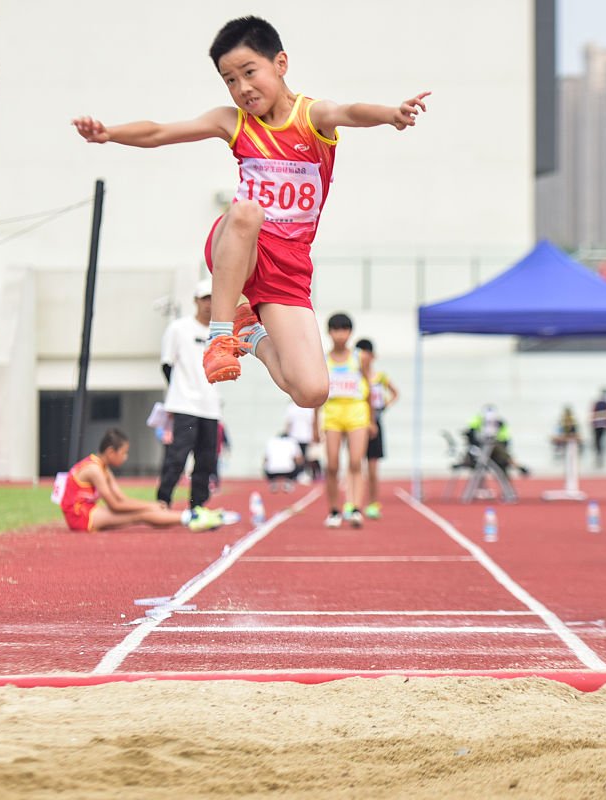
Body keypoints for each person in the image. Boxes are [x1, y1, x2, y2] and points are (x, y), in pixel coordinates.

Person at [72, 16, 429, 410]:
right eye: (229, 79)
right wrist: (109, 133)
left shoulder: (311, 117)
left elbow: (350, 111)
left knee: (311, 391)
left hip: (288, 267)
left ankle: (251, 335)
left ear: (280, 63)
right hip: (239, 247)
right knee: (246, 211)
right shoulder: (233, 122)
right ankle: (221, 336)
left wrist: (390, 113)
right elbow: (160, 132)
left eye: (248, 72)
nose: (241, 88)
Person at [60, 428, 229, 533]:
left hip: (88, 510)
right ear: (111, 452)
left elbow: (122, 499)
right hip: (79, 516)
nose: (125, 458)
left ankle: (191, 516)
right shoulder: (94, 470)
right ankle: (192, 518)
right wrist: (150, 506)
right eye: (124, 453)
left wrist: (151, 506)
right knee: (140, 515)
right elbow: (115, 505)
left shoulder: (102, 467)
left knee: (141, 513)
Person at [157, 277, 223, 513]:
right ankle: (163, 500)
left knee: (206, 460)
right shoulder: (178, 328)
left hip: (210, 406)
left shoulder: (220, 332)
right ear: (196, 300)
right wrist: (181, 392)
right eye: (205, 298)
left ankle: (198, 506)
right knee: (177, 456)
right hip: (185, 405)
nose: (209, 303)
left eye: (214, 298)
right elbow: (167, 365)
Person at [316, 313, 371, 528]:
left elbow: (368, 390)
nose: (340, 335)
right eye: (336, 330)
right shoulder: (324, 358)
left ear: (350, 333)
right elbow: (317, 390)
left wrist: (372, 420)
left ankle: (356, 508)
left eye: (344, 330)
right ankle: (333, 510)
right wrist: (314, 423)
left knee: (356, 462)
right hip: (332, 412)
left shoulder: (360, 357)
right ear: (329, 332)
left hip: (357, 411)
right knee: (332, 465)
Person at [355, 338, 398, 519]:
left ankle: (372, 503)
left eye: (366, 354)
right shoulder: (354, 376)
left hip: (375, 423)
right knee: (356, 466)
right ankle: (355, 503)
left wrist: (384, 406)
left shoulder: (380, 377)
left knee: (372, 468)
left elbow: (395, 393)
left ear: (373, 356)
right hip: (356, 422)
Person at [284, 400, 319, 482]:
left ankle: (304, 473)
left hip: (305, 436)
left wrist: (314, 434)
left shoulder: (308, 407)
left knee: (306, 457)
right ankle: (298, 473)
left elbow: (312, 422)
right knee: (297, 458)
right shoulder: (292, 406)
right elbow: (289, 422)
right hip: (295, 436)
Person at [589, 388, 606, 467]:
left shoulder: (603, 403)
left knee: (599, 440)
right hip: (600, 424)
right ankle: (598, 452)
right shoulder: (603, 403)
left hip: (600, 424)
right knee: (598, 440)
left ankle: (599, 453)